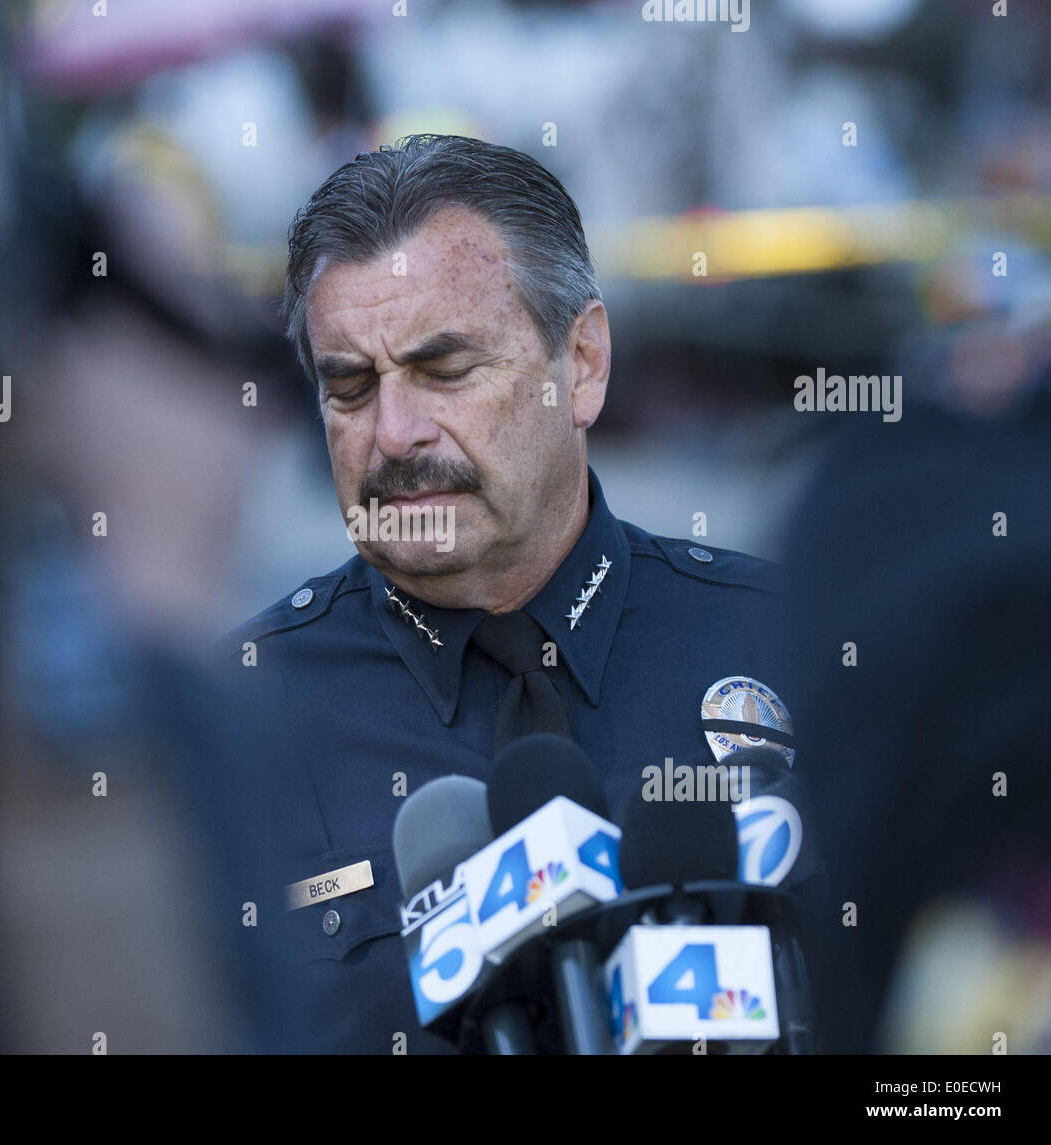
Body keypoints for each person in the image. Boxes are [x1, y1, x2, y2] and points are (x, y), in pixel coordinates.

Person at [225, 134, 794, 1054]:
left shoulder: (791, 645)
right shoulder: (233, 724)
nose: (397, 434)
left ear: (584, 364)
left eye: (446, 370)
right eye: (351, 386)